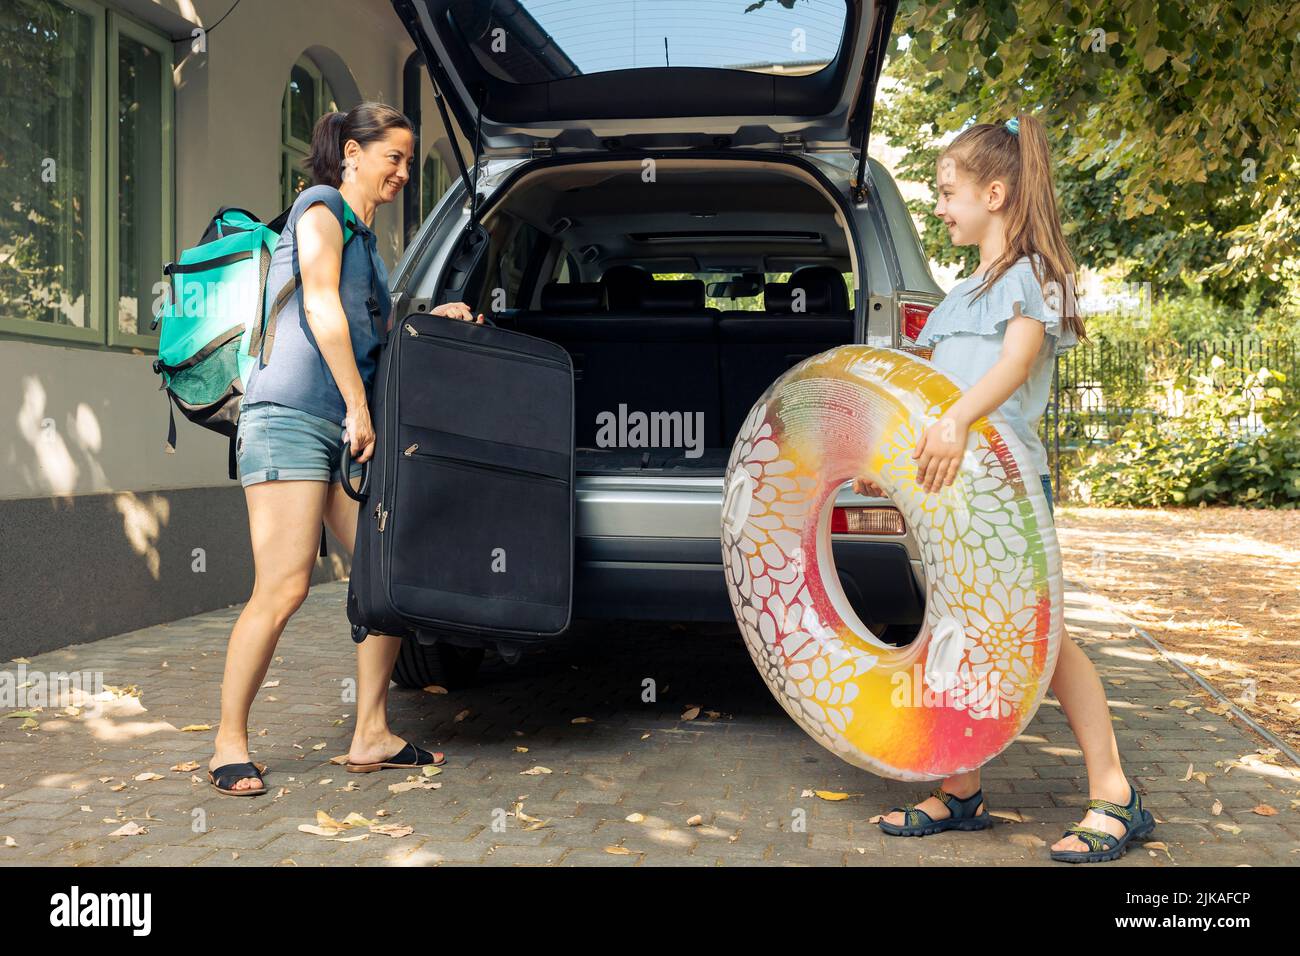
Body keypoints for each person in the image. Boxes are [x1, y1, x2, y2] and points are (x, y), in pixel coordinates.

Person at [854, 114, 1155, 862]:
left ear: (994, 194)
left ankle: (1116, 794)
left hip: (1008, 496)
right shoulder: (959, 296)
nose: (939, 207)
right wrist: (881, 461)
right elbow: (925, 397)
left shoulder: (1033, 277)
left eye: (947, 192)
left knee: (1044, 643)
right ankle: (962, 788)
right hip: (955, 498)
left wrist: (957, 420)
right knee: (957, 633)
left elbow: (1014, 365)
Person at [207, 103, 483, 796]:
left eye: (409, 161)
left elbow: (373, 339)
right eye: (395, 157)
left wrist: (431, 318)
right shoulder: (320, 207)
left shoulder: (368, 243)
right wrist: (359, 408)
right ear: (353, 153)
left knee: (385, 576)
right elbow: (320, 306)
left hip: (342, 426)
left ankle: (371, 734)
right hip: (291, 417)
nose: (404, 172)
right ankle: (228, 743)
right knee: (285, 585)